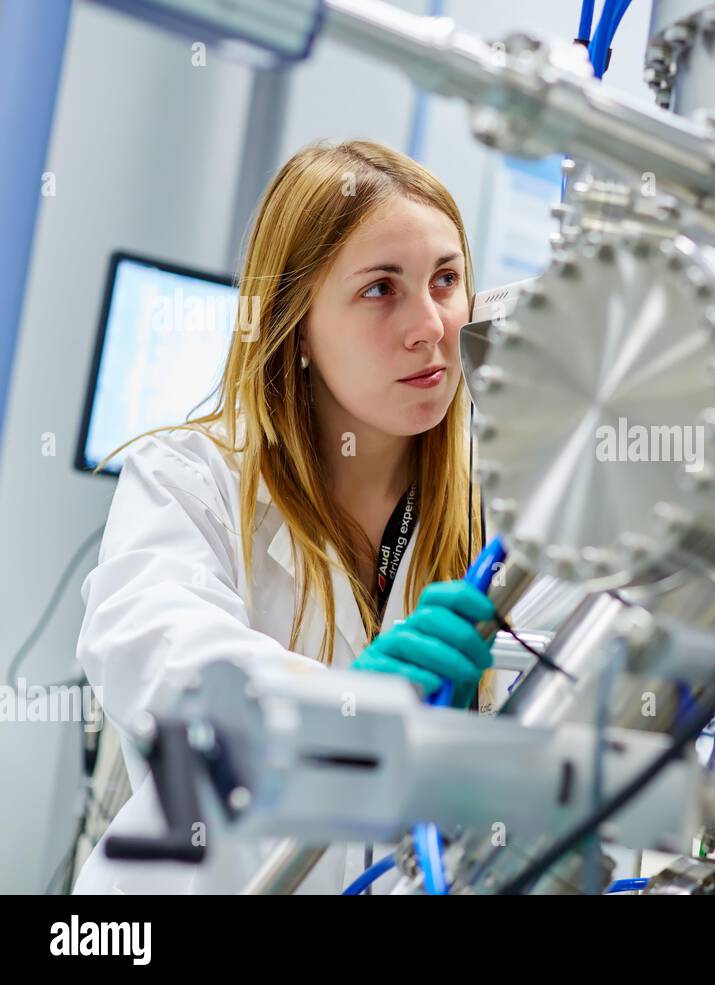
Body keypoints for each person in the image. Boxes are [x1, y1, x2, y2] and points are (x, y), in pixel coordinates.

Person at [73, 139, 496, 894]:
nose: (430, 324)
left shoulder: (498, 513)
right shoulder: (190, 478)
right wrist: (337, 703)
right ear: (297, 322)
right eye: (380, 289)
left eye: (445, 279)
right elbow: (159, 655)